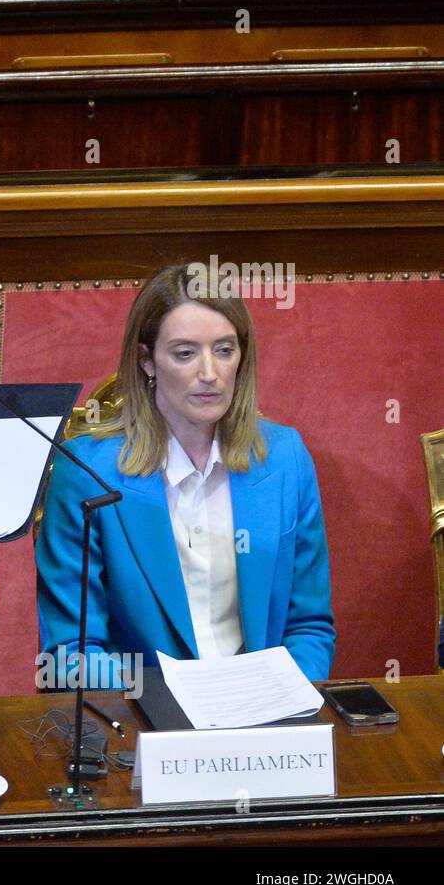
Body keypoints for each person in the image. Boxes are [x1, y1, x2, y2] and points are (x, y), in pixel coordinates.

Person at [35, 264, 336, 686]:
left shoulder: (285, 459)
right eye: (185, 353)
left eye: (224, 350)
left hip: (262, 716)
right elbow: (71, 656)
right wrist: (174, 702)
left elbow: (309, 629)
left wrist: (275, 702)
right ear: (147, 361)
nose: (209, 373)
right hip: (142, 723)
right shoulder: (86, 471)